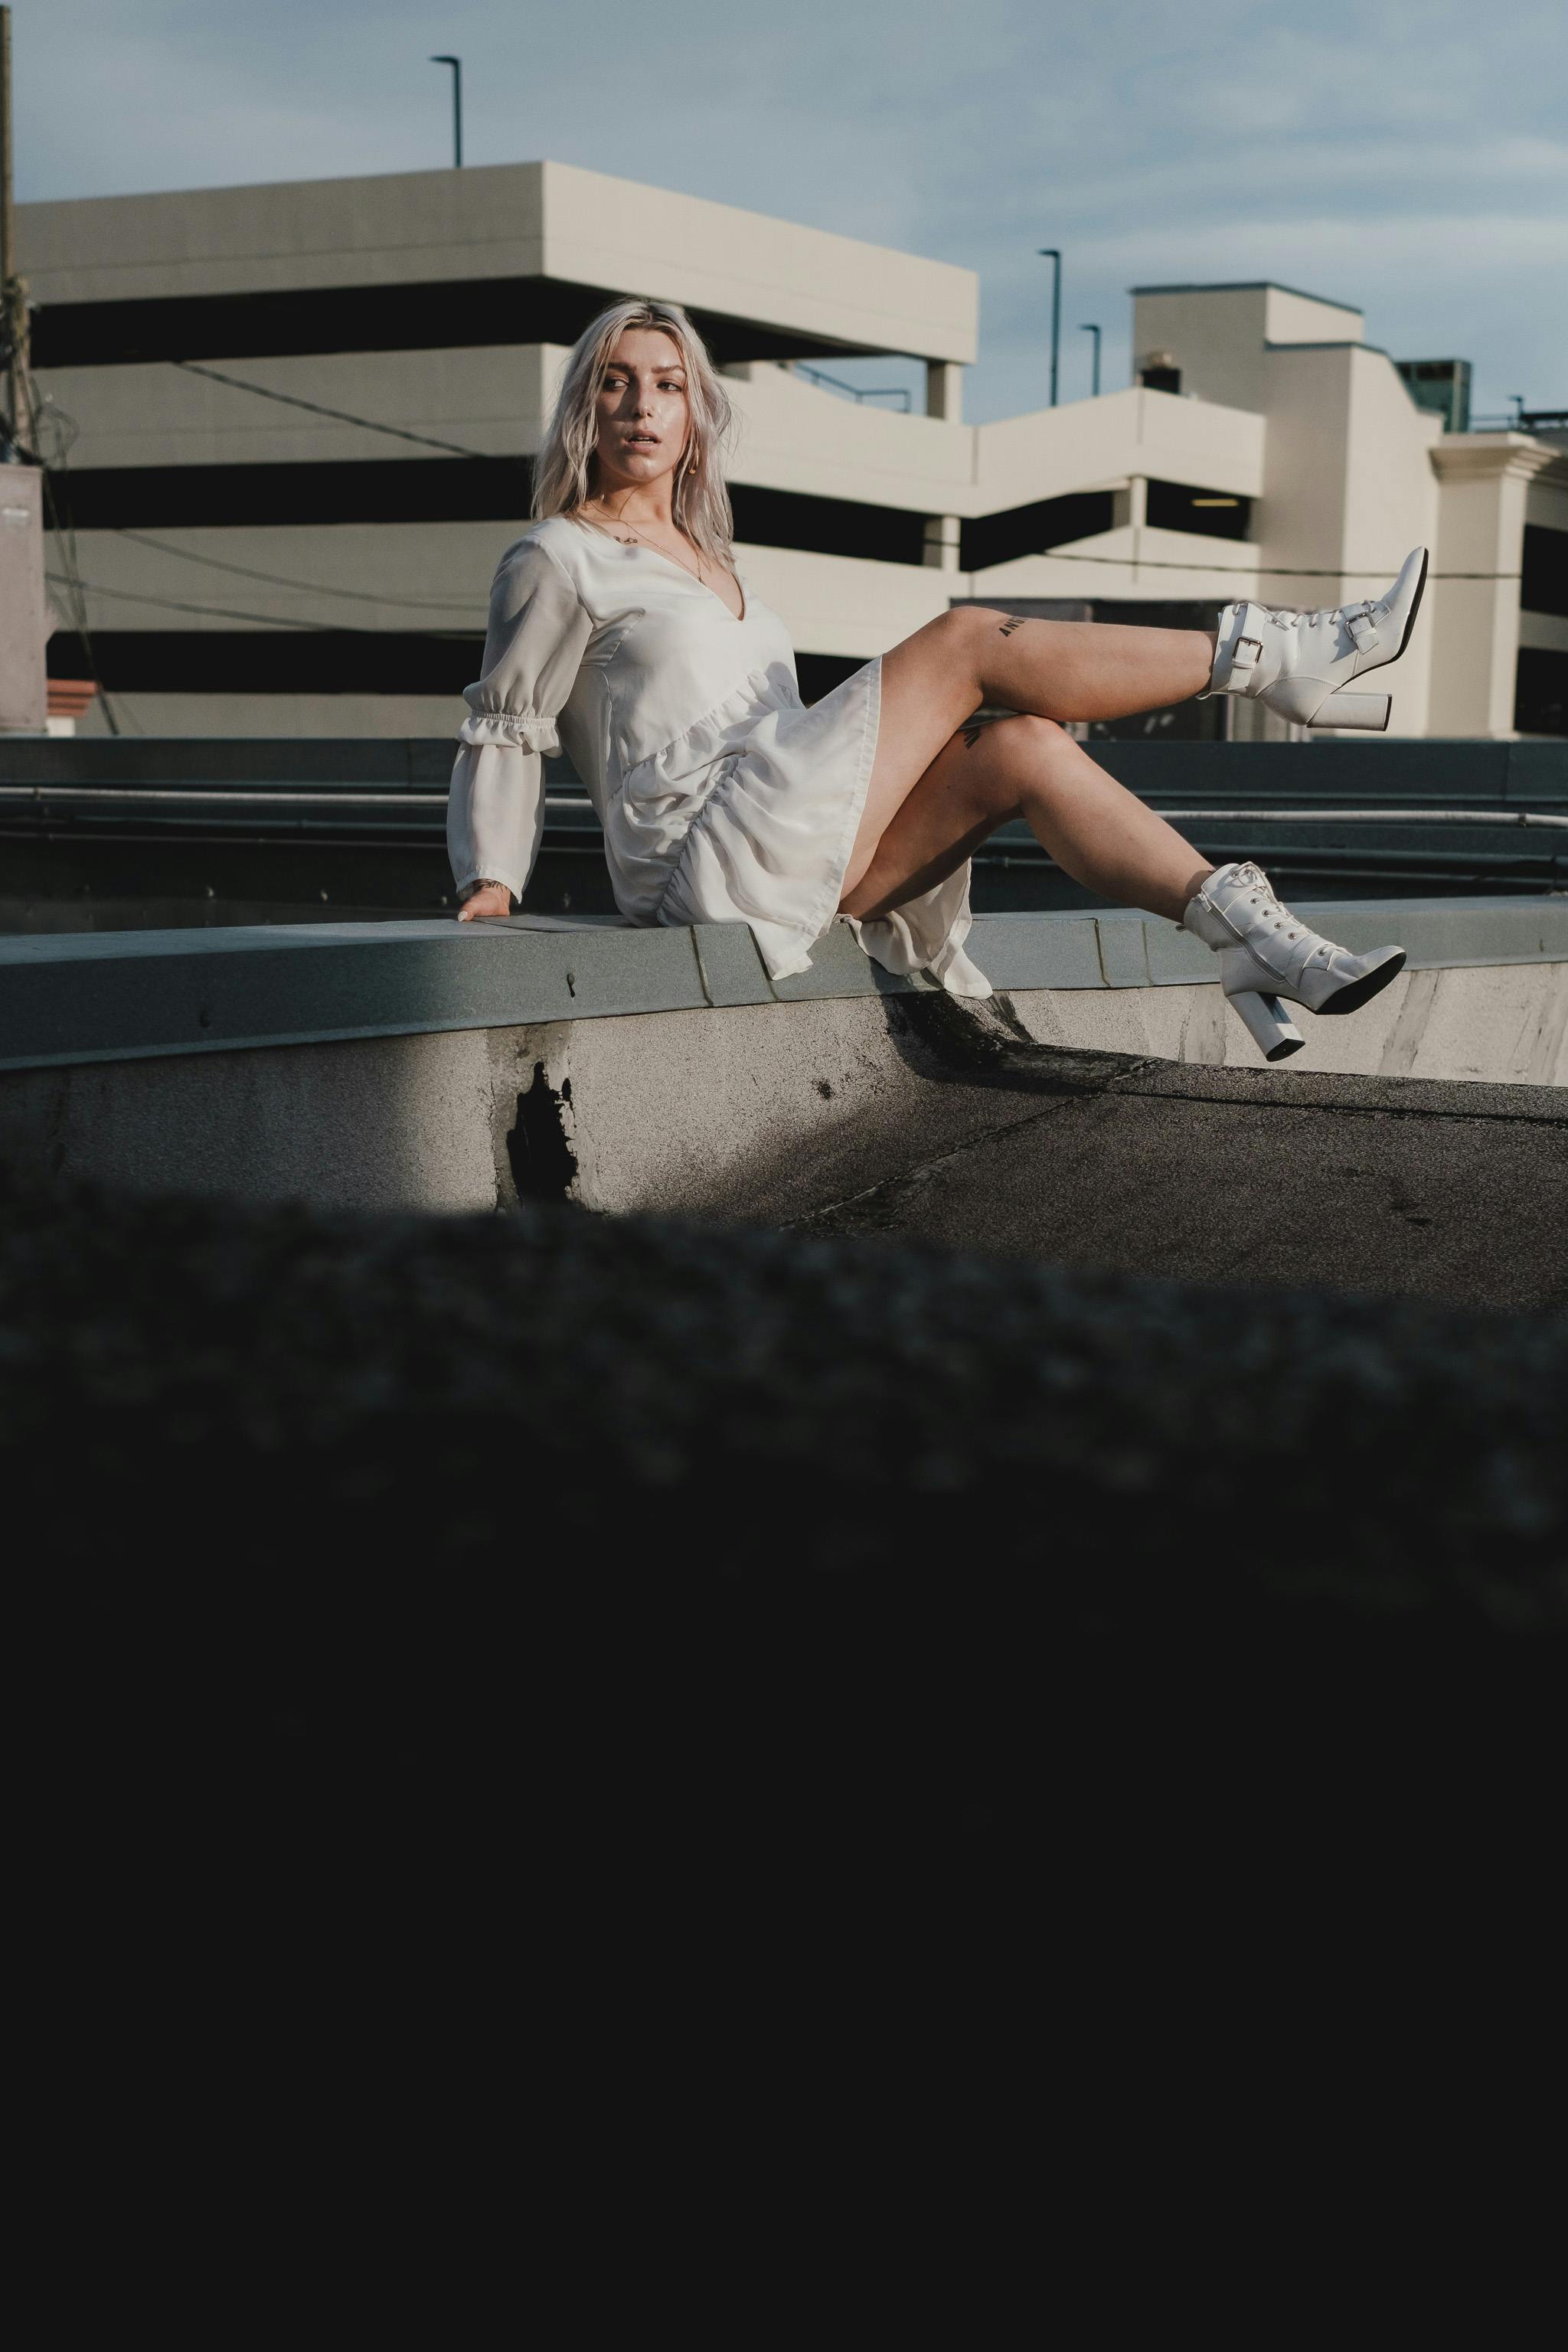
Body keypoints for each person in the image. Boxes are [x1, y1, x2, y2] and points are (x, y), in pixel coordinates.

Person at [449, 299, 1427, 1063]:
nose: (640, 406)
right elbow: (506, 724)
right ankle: (1278, 657)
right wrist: (490, 880)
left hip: (797, 844)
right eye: (615, 382)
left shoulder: (713, 562)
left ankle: (1247, 937)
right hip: (701, 860)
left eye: (666, 385)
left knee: (1022, 747)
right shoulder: (558, 554)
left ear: (695, 415)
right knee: (966, 640)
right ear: (584, 406)